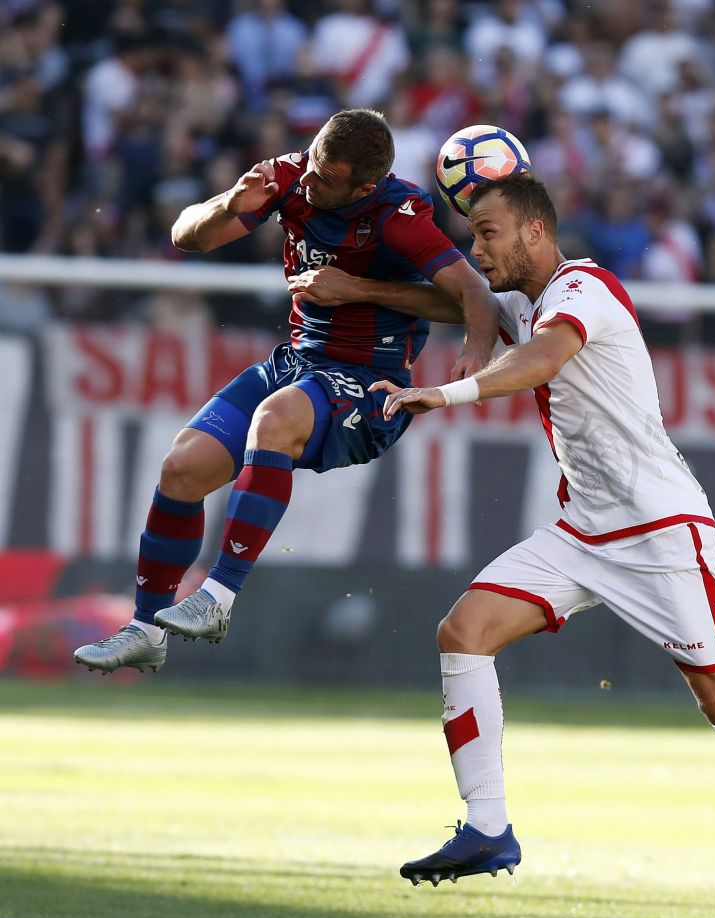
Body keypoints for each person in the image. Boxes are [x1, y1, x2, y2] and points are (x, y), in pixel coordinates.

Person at [314, 174, 715, 918]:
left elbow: (543, 357)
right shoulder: (522, 296)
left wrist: (445, 392)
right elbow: (460, 303)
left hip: (662, 531)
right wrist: (356, 286)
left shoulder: (584, 287)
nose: (475, 247)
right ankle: (488, 826)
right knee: (463, 632)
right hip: (582, 528)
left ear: (533, 232)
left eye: (488, 232)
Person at [74, 108, 498, 674]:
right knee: (183, 466)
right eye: (312, 163)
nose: (308, 181)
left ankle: (218, 596)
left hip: (369, 382)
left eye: (324, 178)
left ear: (364, 187)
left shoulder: (398, 216)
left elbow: (474, 296)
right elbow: (186, 236)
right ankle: (146, 627)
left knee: (273, 419)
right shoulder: (287, 177)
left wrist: (359, 290)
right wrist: (229, 203)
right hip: (296, 363)